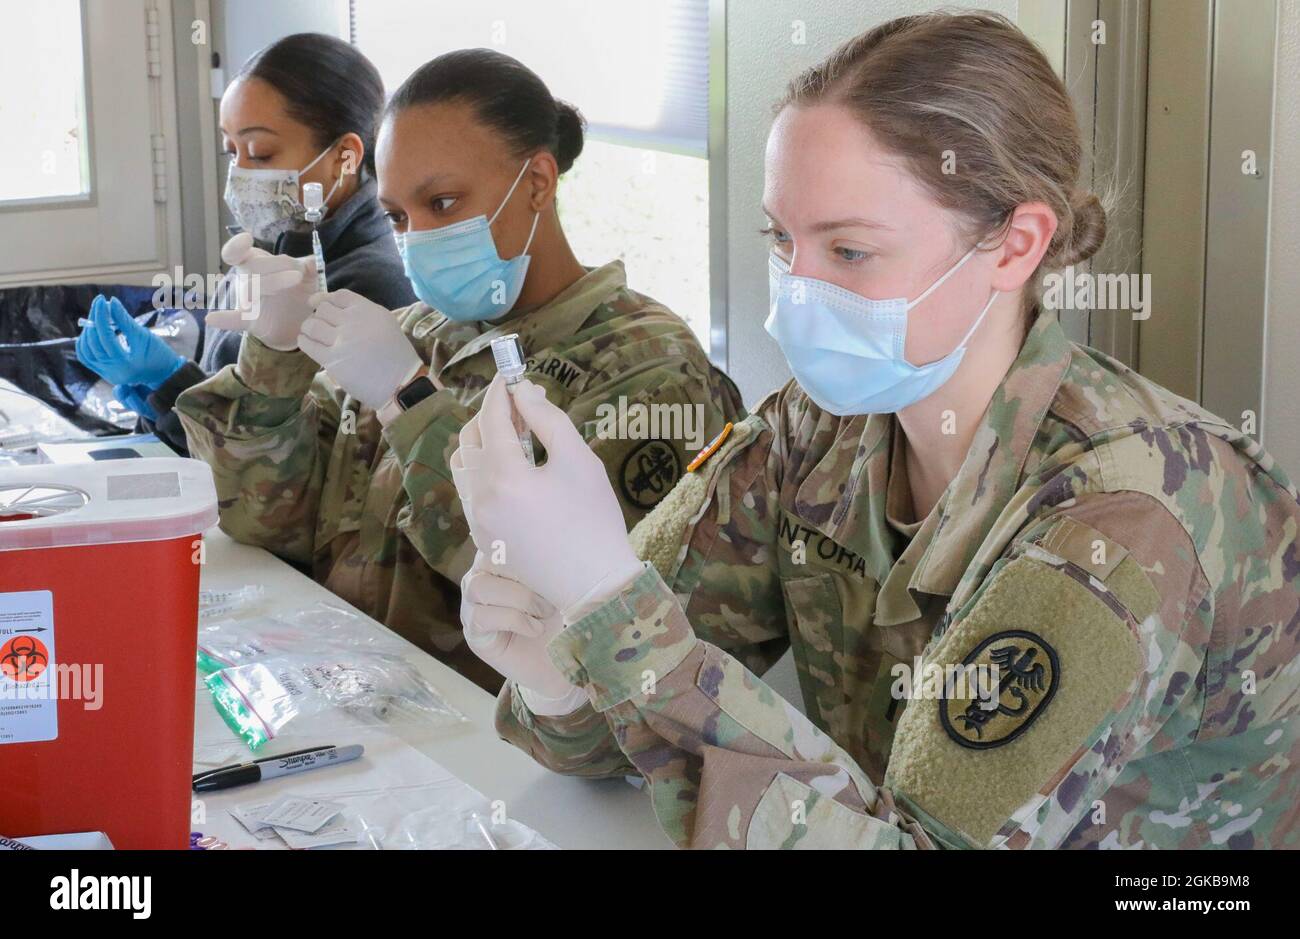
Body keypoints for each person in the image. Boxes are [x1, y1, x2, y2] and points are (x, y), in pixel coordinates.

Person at [452, 11, 1300, 848]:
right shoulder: (815, 429)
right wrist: (556, 674)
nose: (795, 292)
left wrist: (606, 597)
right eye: (783, 240)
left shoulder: (1125, 514)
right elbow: (627, 736)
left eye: (849, 252)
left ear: (1014, 246)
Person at [176, 49, 743, 692]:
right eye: (397, 216)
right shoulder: (419, 330)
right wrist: (274, 360)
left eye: (442, 203)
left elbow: (568, 612)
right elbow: (265, 521)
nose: (416, 236)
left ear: (537, 183)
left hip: (514, 746)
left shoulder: (649, 371)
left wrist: (410, 400)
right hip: (363, 703)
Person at [75, 33, 413, 455]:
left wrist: (172, 384)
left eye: (261, 153)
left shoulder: (370, 284)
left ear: (343, 156)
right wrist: (160, 400)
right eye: (231, 151)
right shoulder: (268, 250)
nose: (240, 173)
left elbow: (292, 463)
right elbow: (237, 405)